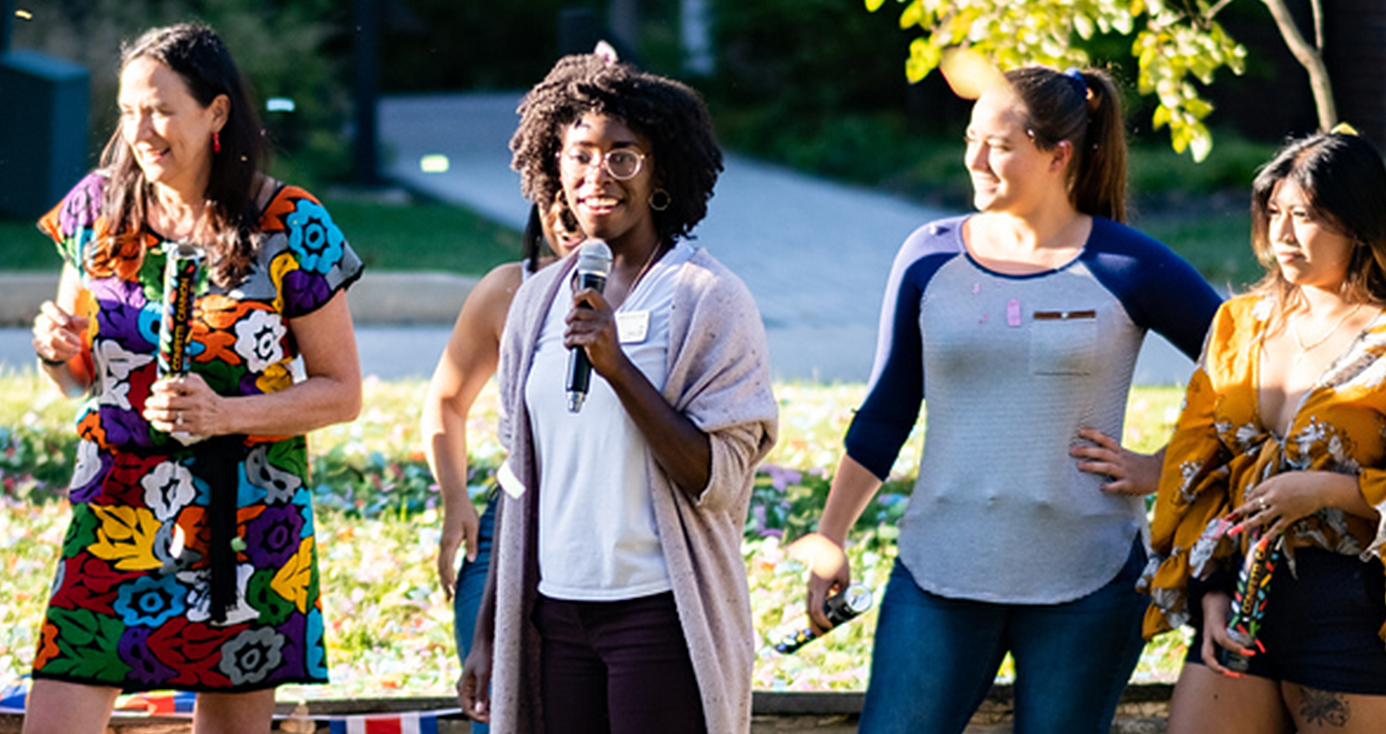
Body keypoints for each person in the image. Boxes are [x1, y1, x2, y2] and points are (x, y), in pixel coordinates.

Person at [794, 65, 1222, 733]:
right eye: (971, 138)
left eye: (999, 144)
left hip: (1090, 578)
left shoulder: (1127, 265)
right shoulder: (929, 256)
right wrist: (831, 535)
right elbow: (886, 411)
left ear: (1059, 154)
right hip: (940, 572)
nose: (974, 159)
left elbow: (1251, 373)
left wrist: (1163, 466)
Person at [24, 23, 362, 734]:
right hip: (113, 510)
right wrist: (56, 349)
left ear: (215, 112)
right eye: (127, 111)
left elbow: (341, 392)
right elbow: (78, 376)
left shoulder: (289, 224)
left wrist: (223, 414)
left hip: (244, 523)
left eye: (159, 109)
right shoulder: (95, 211)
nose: (140, 131)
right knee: (54, 715)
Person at [457, 52, 778, 734]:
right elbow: (517, 481)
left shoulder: (706, 298)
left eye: (623, 157)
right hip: (555, 614)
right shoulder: (538, 300)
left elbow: (718, 478)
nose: (596, 176)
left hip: (658, 612)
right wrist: (490, 626)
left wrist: (619, 369)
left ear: (662, 173)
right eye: (579, 156)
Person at [1143, 130, 1386, 733]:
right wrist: (1211, 590)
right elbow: (1202, 471)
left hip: (1352, 602)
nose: (1282, 234)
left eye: (1305, 216)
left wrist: (1328, 491)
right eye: (1274, 212)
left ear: (1359, 223)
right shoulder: (1240, 324)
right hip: (1241, 597)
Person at [421, 201, 580, 734]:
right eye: (552, 195)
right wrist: (455, 500)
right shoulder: (508, 289)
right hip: (508, 525)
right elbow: (447, 400)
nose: (568, 212)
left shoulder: (668, 290)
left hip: (607, 533)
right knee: (495, 707)